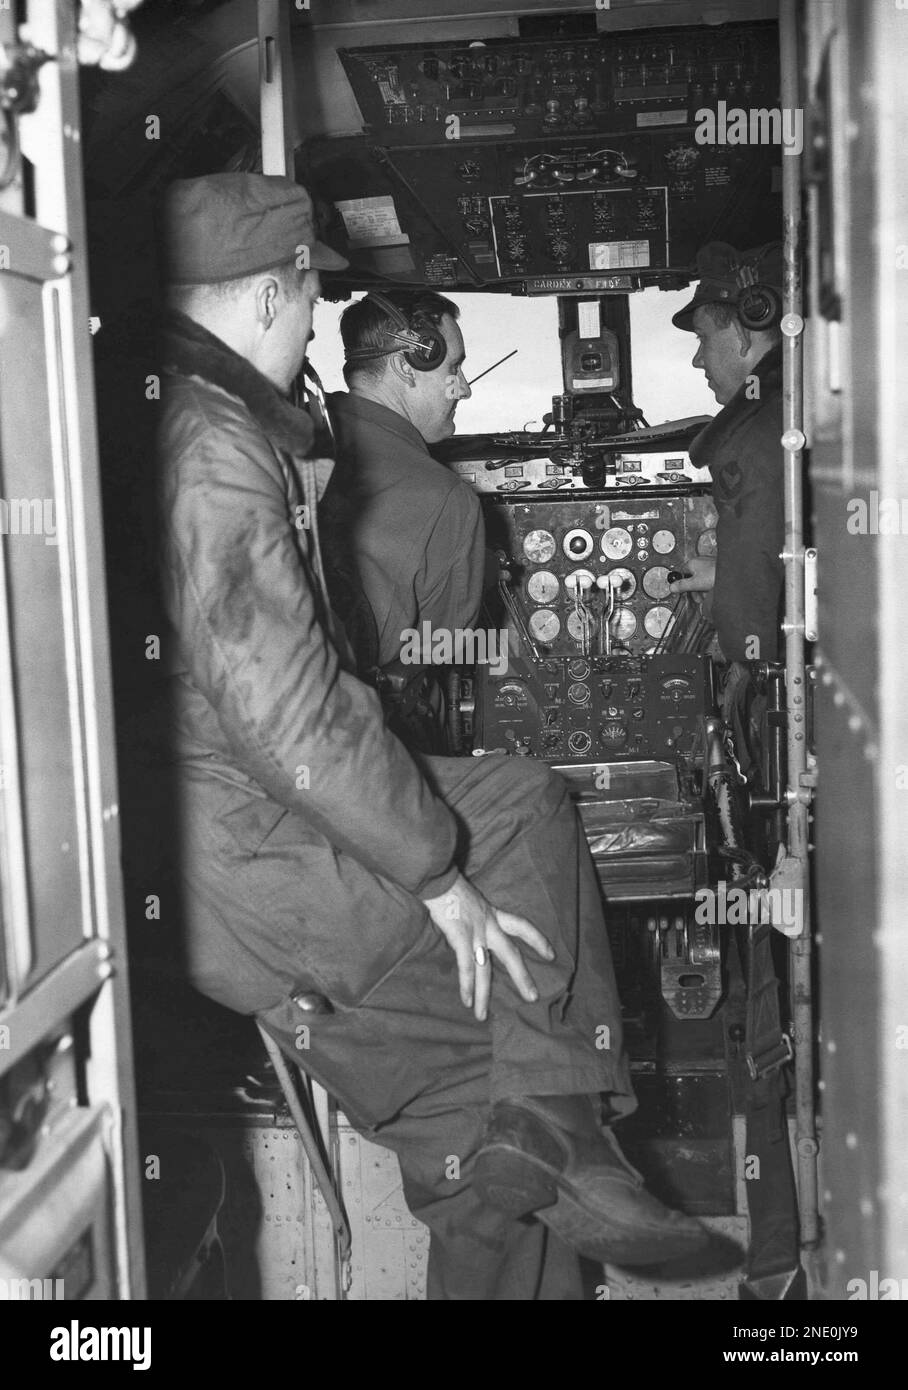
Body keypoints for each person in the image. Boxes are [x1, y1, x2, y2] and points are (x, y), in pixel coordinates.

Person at [151, 171, 718, 1299]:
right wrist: (436, 875)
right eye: (308, 294)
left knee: (522, 797)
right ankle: (547, 1131)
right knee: (480, 1135)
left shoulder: (184, 418)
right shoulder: (215, 450)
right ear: (269, 298)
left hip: (231, 823)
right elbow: (292, 711)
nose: (313, 319)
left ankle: (562, 1115)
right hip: (265, 865)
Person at [326, 290, 485, 669]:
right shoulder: (446, 497)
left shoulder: (290, 434)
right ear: (405, 366)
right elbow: (443, 651)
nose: (464, 388)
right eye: (453, 369)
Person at [668, 241, 785, 667]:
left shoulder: (750, 439)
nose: (698, 359)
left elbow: (751, 627)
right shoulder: (798, 406)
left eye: (702, 338)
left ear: (740, 334)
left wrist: (746, 676)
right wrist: (725, 573)